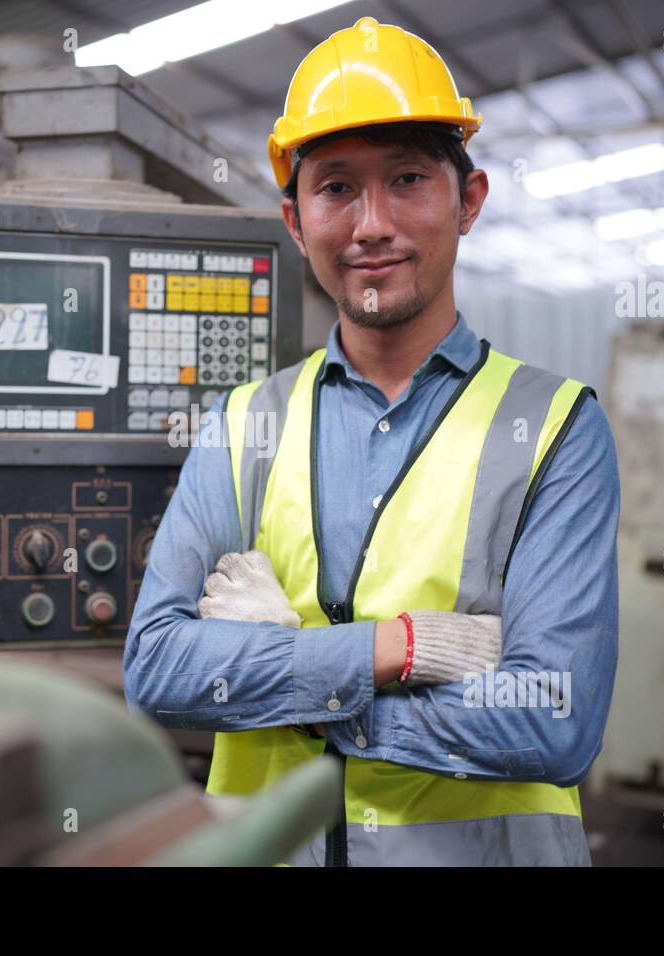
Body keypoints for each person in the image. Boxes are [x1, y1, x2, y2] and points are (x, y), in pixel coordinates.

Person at [123, 16, 620, 866]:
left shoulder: (555, 430)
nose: (372, 224)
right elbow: (159, 668)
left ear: (468, 201)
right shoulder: (245, 425)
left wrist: (299, 677)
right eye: (337, 188)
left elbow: (553, 714)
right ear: (294, 217)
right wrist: (397, 650)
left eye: (408, 178)